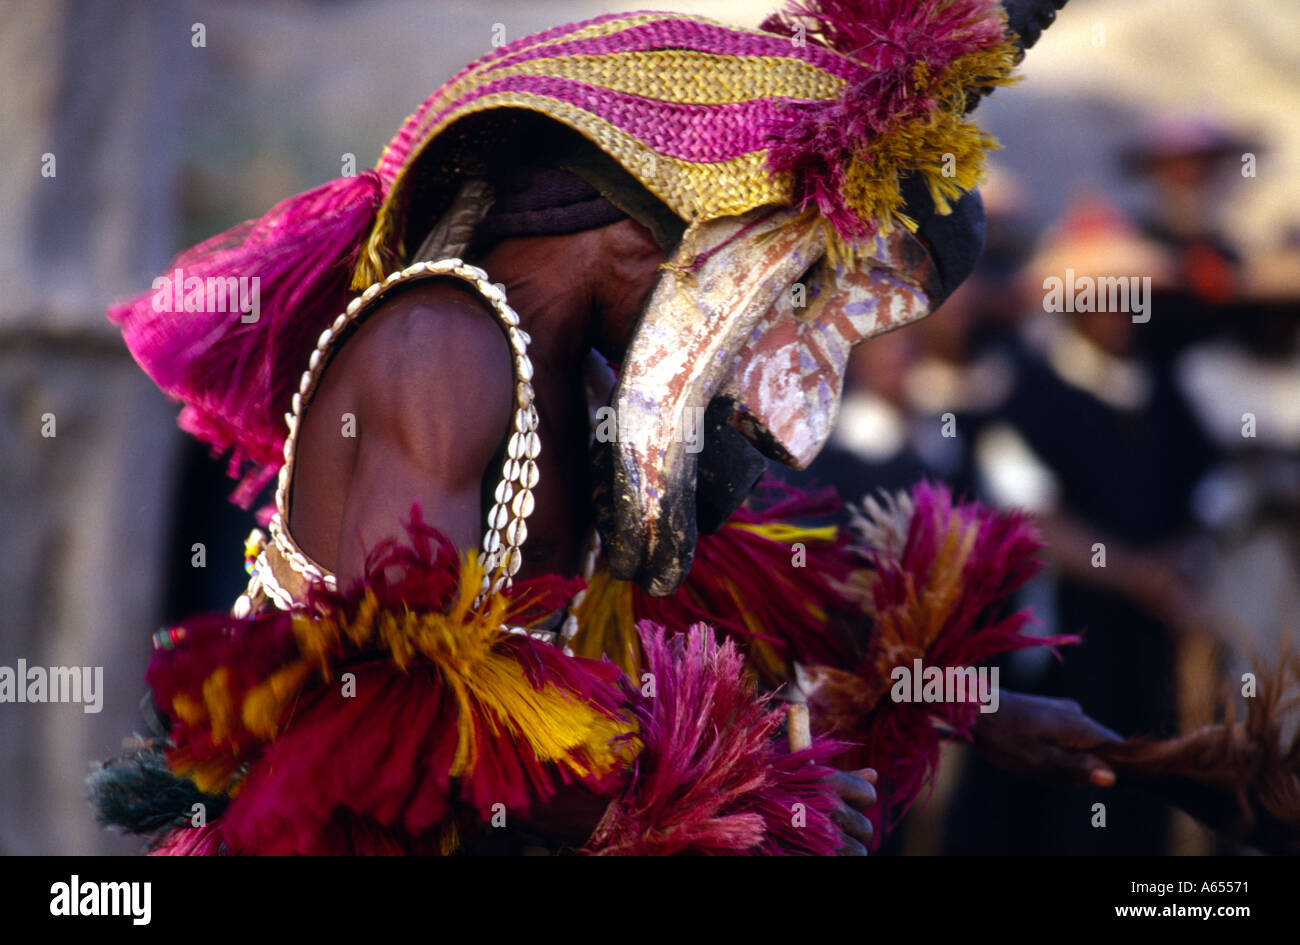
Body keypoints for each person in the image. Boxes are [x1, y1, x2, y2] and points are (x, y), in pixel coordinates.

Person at [91, 0, 1186, 856]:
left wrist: (969, 707)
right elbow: (398, 703)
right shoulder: (443, 344)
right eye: (795, 295)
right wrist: (752, 797)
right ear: (669, 234)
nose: (794, 370)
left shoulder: (587, 398)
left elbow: (742, 619)